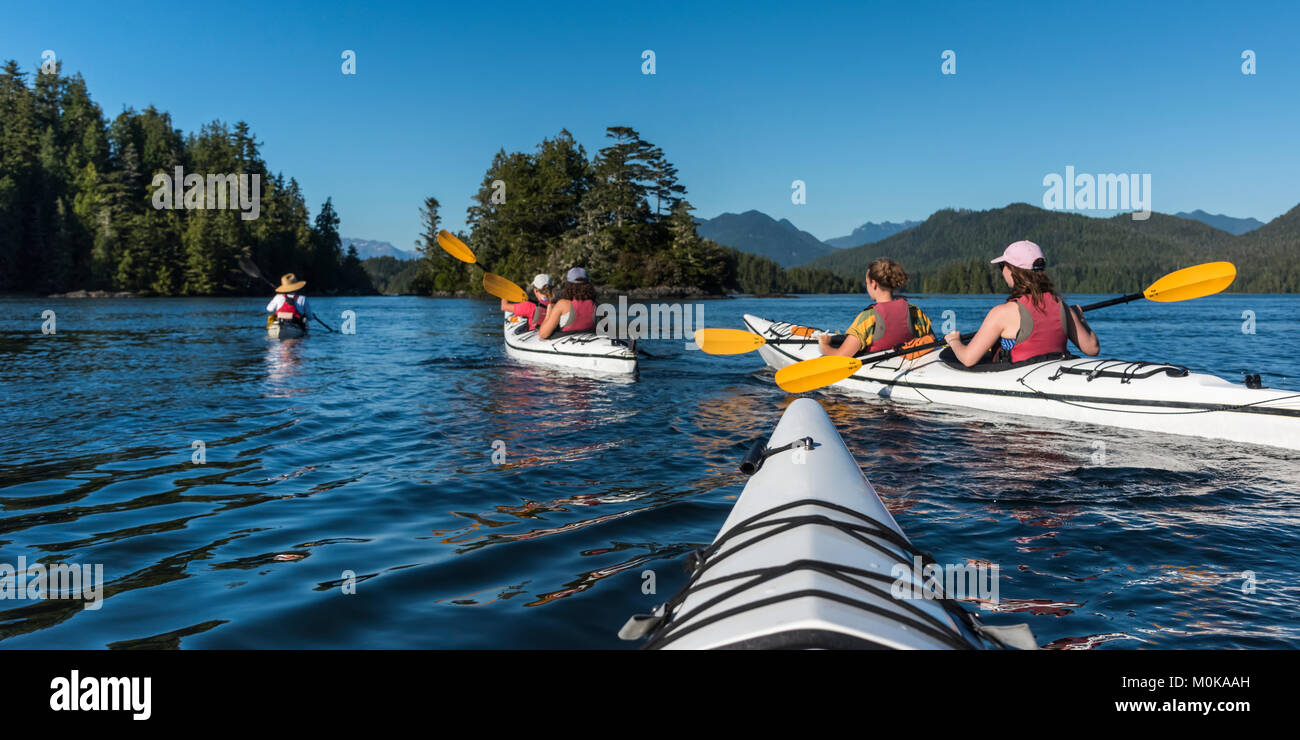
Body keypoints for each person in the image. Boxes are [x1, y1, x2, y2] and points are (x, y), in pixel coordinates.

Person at [944, 240, 1100, 367]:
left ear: (1012, 271)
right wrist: (1080, 318)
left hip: (1018, 380)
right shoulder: (1062, 306)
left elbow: (968, 359)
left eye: (1002, 266)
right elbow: (1092, 348)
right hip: (1050, 373)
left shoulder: (1003, 312)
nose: (1002, 270)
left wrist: (954, 341)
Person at [819, 258, 935, 357]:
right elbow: (931, 339)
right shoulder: (915, 312)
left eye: (867, 283)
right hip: (905, 363)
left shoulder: (868, 317)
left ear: (873, 284)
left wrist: (825, 346)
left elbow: (841, 356)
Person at [538, 267, 597, 339]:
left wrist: (548, 314)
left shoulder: (562, 305)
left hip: (565, 345)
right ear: (588, 286)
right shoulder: (597, 306)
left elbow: (543, 334)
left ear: (568, 286)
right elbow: (607, 333)